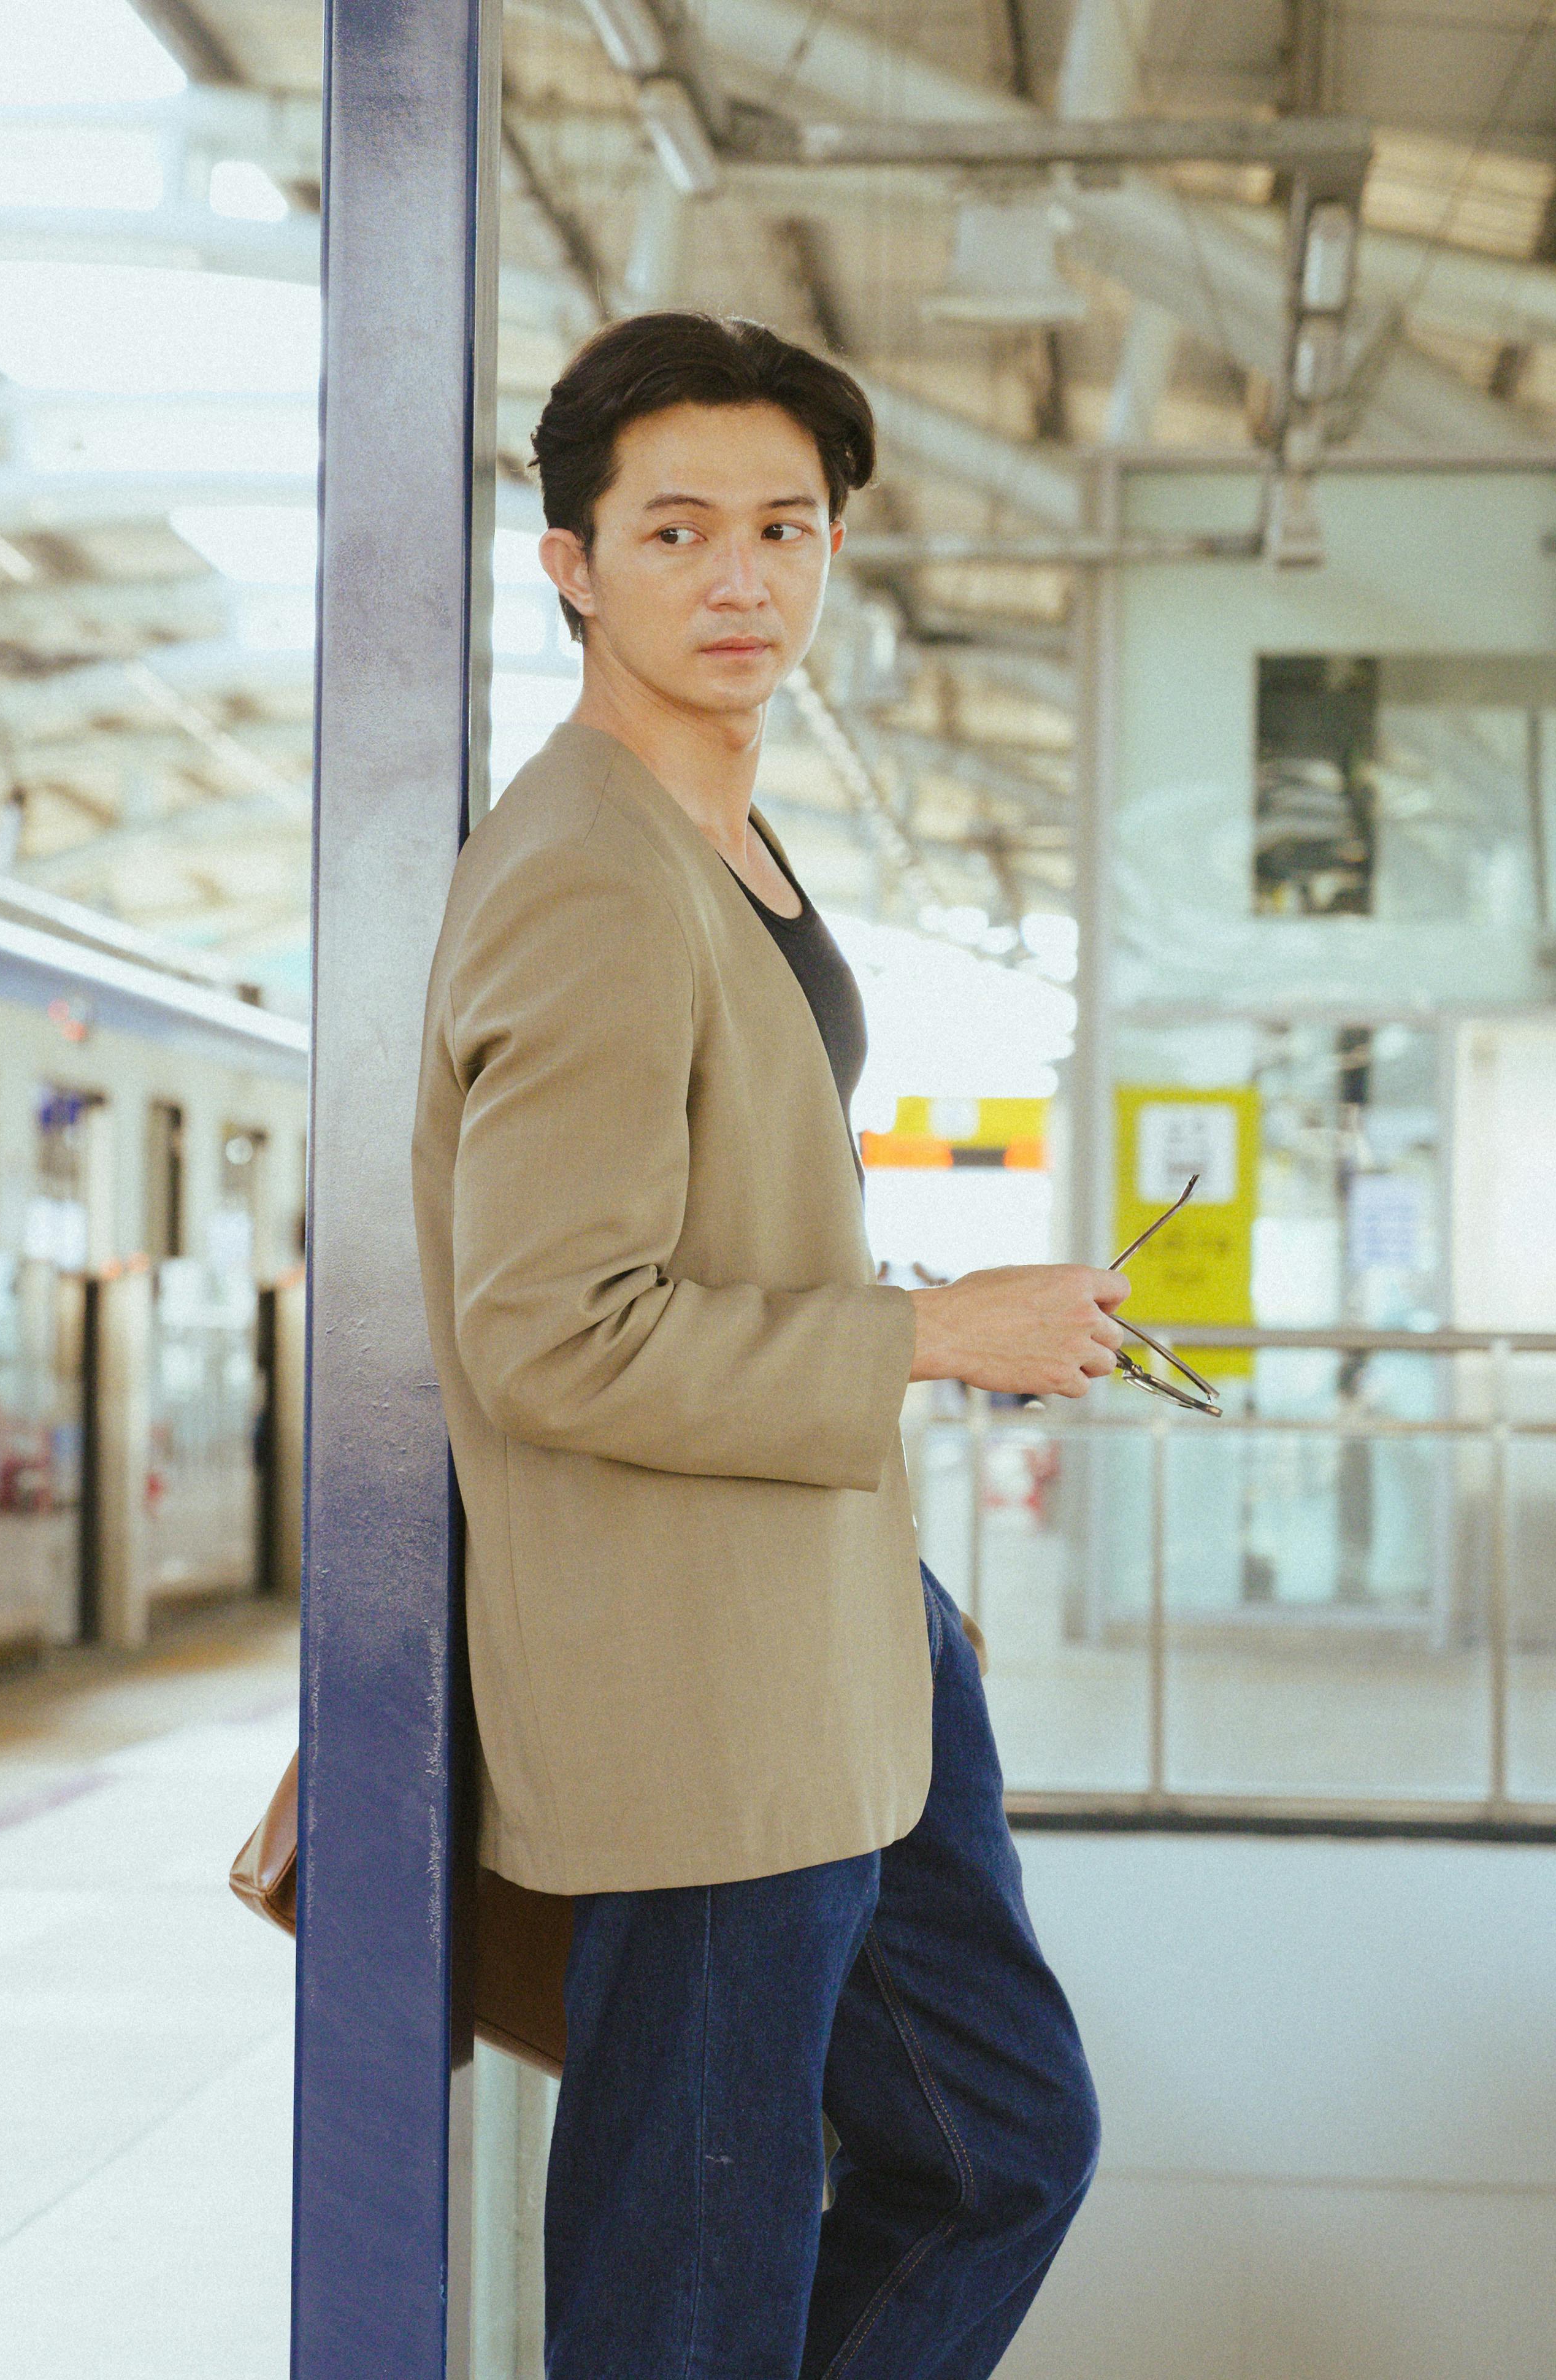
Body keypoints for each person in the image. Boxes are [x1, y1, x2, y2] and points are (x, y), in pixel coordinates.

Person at [409, 310, 1113, 2378]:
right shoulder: (583, 876)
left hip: (853, 1648)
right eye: (677, 530)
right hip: (696, 1706)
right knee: (682, 2298)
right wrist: (927, 1334)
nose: (740, 580)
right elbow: (546, 1330)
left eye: (785, 530)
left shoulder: (734, 843)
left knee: (1001, 2150)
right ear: (570, 562)